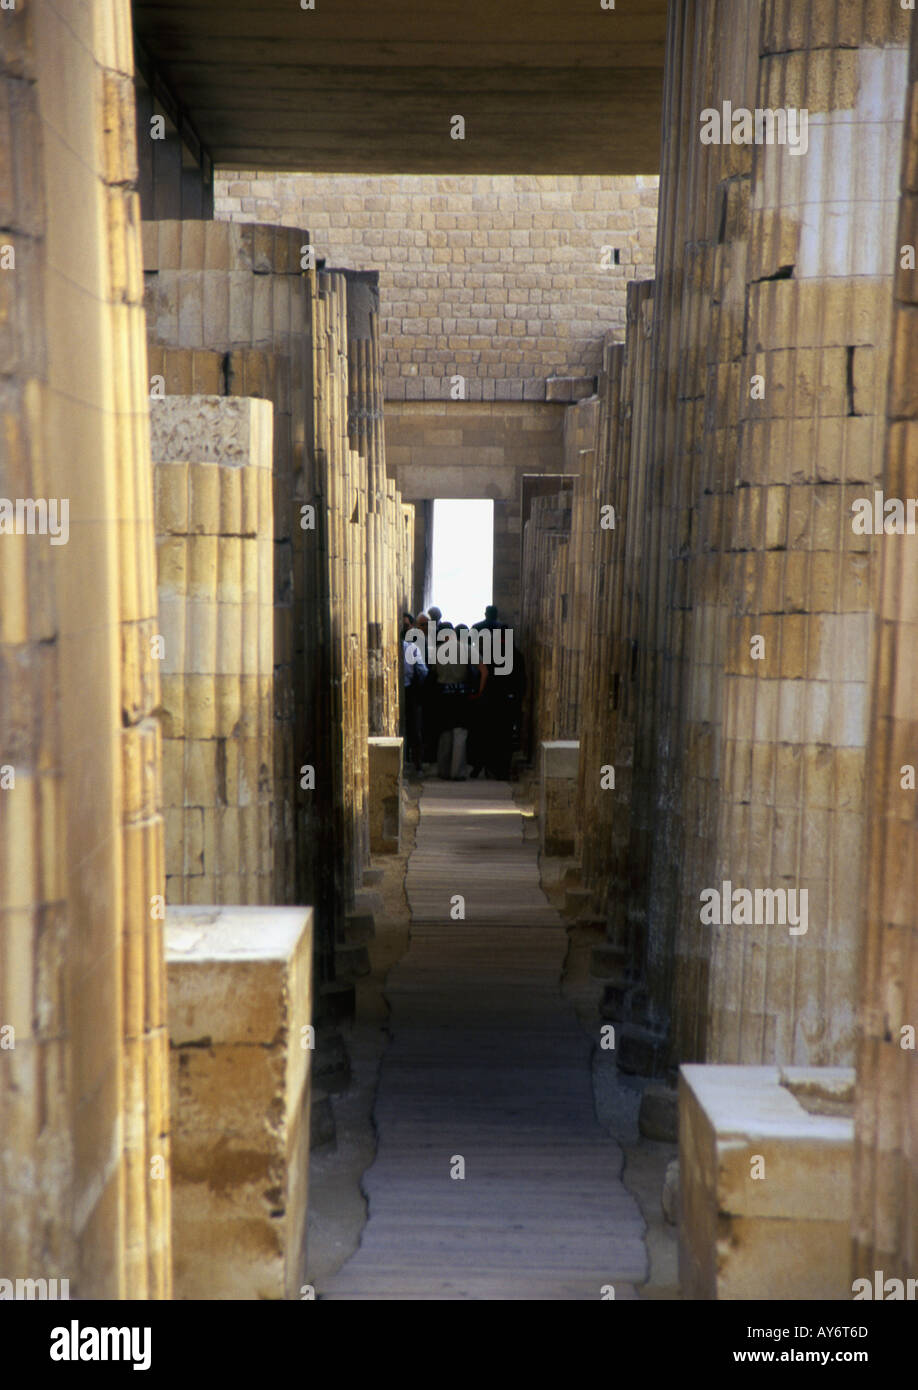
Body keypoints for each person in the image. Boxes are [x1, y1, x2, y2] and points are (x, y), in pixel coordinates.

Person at [401, 615, 427, 774]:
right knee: (414, 728)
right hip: (409, 690)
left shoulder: (411, 648)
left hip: (409, 691)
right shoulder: (411, 648)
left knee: (413, 729)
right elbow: (423, 671)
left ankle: (413, 762)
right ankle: (415, 764)